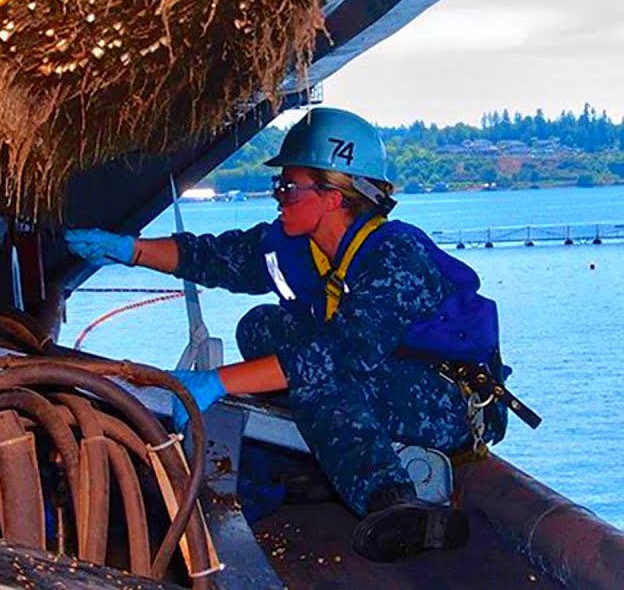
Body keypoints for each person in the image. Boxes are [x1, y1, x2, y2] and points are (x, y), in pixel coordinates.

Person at [64, 107, 507, 562]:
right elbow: (218, 257)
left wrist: (218, 381)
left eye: (288, 187)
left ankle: (393, 501)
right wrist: (129, 250)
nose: (278, 197)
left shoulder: (396, 257)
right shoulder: (298, 246)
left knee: (320, 378)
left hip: (444, 400)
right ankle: (326, 452)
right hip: (379, 373)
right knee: (260, 327)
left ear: (334, 195)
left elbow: (342, 352)